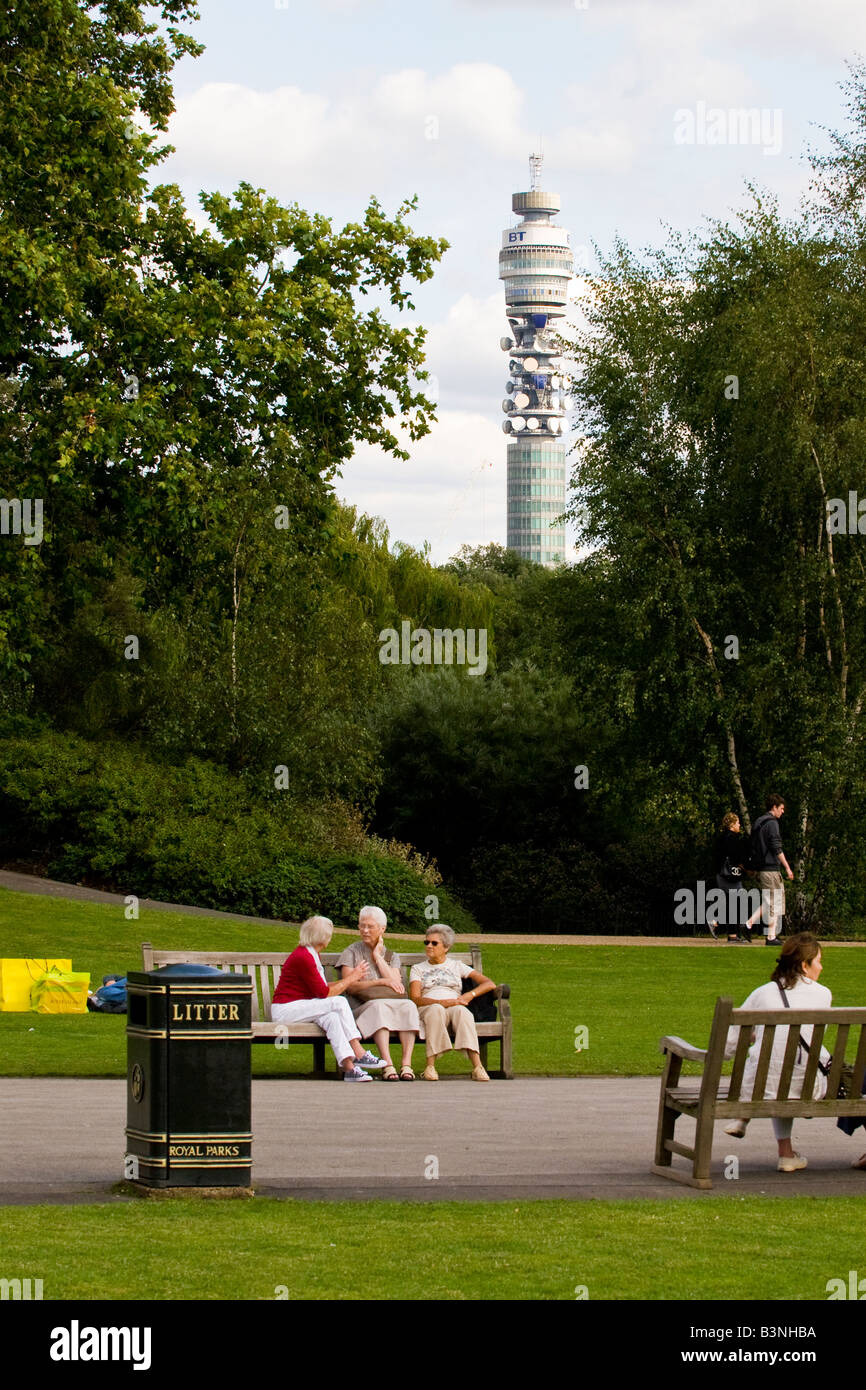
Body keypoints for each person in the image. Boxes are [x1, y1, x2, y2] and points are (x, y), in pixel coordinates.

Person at [723, 932, 831, 1170]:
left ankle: (744, 1118)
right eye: (819, 961)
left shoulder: (762, 993)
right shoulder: (824, 993)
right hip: (807, 1086)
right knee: (788, 1070)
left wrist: (749, 1039)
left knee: (774, 1069)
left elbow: (731, 1043)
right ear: (805, 965)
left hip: (759, 1087)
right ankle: (786, 1155)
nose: (821, 967)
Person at [271, 916, 387, 1081]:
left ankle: (349, 1069)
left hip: (301, 1006)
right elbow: (324, 994)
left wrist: (351, 978)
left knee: (332, 1018)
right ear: (323, 937)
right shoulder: (304, 956)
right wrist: (352, 978)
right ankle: (359, 1052)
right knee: (339, 1002)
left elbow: (322, 987)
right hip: (286, 1009)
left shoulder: (311, 954)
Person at [337, 906, 421, 1080]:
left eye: (370, 926)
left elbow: (396, 984)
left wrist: (377, 956)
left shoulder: (390, 955)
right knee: (379, 1007)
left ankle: (406, 1065)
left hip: (388, 1005)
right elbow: (349, 986)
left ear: (382, 929)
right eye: (362, 926)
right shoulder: (351, 952)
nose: (365, 930)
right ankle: (388, 1065)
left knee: (409, 1006)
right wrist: (381, 981)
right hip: (360, 1009)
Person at [408, 924, 496, 1082]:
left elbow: (489, 984)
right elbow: (415, 998)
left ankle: (477, 1067)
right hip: (429, 1007)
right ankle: (430, 1066)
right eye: (426, 942)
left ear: (446, 947)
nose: (429, 946)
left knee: (463, 1012)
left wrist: (469, 995)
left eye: (434, 943)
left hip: (454, 1005)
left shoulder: (457, 966)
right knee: (436, 1010)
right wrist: (442, 1002)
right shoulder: (418, 968)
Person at [746, 793, 794, 945]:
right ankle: (770, 936)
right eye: (781, 808)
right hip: (771, 868)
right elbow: (776, 847)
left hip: (760, 867)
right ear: (774, 807)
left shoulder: (758, 822)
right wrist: (787, 867)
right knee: (775, 902)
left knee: (769, 902)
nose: (783, 811)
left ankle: (749, 925)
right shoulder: (772, 823)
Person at [709, 811, 751, 943]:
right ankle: (716, 921)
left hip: (722, 875)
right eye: (738, 822)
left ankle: (731, 933)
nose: (739, 825)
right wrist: (747, 868)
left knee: (732, 903)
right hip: (730, 876)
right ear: (732, 824)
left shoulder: (721, 838)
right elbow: (737, 857)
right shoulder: (731, 838)